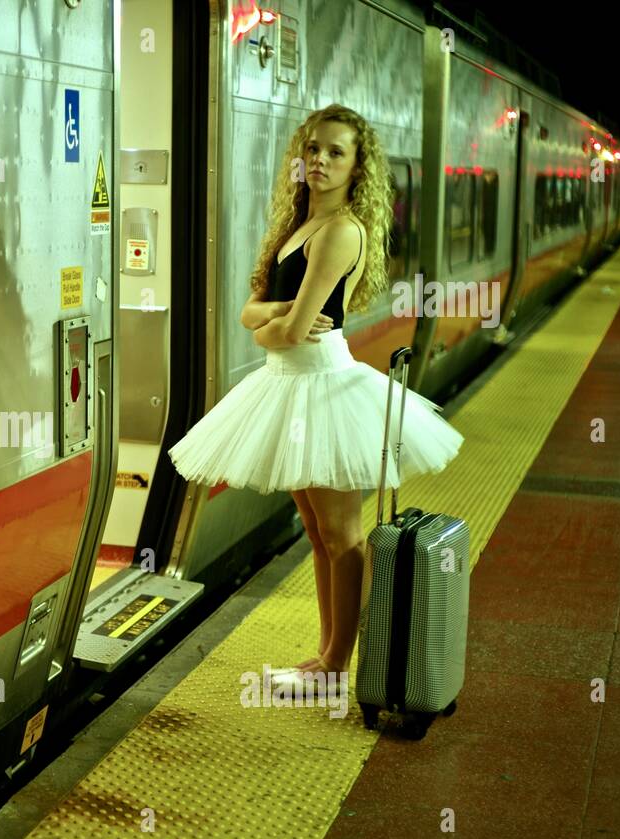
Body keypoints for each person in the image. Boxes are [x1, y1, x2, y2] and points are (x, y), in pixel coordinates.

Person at [166, 104, 464, 692]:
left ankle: (334, 666)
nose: (320, 161)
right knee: (317, 530)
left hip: (325, 386)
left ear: (357, 168)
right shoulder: (294, 226)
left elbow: (293, 329)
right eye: (313, 150)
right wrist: (272, 318)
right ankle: (326, 657)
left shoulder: (341, 231)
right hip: (285, 383)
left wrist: (268, 325)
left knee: (343, 535)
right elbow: (253, 312)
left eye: (336, 153)